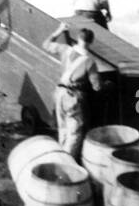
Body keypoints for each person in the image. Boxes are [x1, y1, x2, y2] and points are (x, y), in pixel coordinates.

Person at [42, 22, 103, 162]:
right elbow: (97, 87)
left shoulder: (65, 49)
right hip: (74, 99)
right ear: (91, 42)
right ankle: (66, 164)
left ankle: (60, 156)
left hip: (59, 94)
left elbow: (46, 44)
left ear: (78, 38)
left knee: (62, 128)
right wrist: (107, 84)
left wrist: (59, 30)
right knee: (74, 133)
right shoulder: (90, 62)